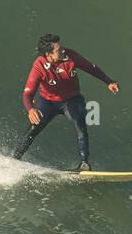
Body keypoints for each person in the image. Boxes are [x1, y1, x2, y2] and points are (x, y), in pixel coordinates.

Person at [12, 33, 119, 170]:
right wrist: (31, 109)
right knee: (33, 129)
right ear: (48, 54)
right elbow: (27, 94)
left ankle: (84, 163)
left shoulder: (70, 56)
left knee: (80, 126)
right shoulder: (39, 66)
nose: (63, 50)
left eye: (61, 47)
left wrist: (108, 81)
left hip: (72, 100)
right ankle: (14, 160)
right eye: (58, 50)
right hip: (48, 102)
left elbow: (91, 68)